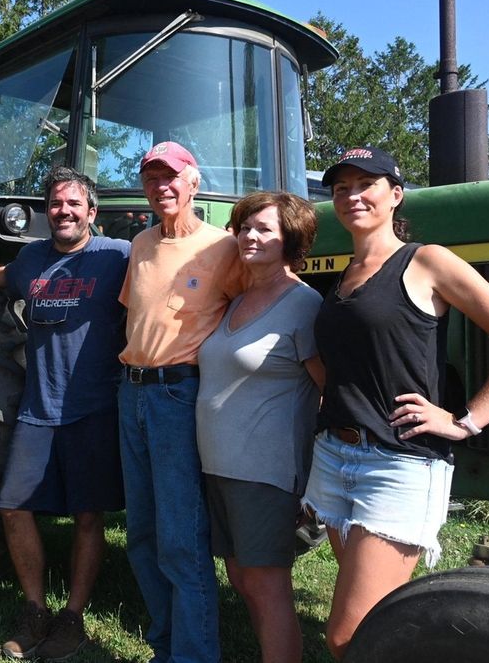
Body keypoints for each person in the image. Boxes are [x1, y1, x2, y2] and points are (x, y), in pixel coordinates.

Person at [302, 146, 489, 659]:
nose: (352, 196)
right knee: (379, 624)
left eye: (366, 185)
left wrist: (465, 421)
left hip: (397, 464)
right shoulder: (347, 273)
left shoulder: (426, 261)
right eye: (342, 188)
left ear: (395, 195)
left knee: (347, 635)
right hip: (335, 456)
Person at [0, 165, 129, 661]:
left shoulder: (117, 256)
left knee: (87, 516)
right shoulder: (33, 258)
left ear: (92, 212)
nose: (64, 211)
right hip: (39, 408)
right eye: (56, 204)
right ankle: (35, 610)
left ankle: (72, 616)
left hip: (93, 409)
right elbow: (2, 276)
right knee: (14, 506)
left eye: (74, 204)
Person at [118, 141, 245, 663]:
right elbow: (137, 315)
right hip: (131, 392)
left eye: (170, 176)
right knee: (141, 533)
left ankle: (193, 655)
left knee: (180, 535)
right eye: (151, 178)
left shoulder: (224, 247)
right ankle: (165, 645)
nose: (160, 187)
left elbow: (256, 308)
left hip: (178, 394)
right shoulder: (140, 244)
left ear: (194, 182)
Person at [195, 192, 324, 663]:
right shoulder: (237, 301)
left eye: (264, 229)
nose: (250, 236)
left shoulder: (303, 304)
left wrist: (318, 474)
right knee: (243, 580)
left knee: (267, 585)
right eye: (245, 227)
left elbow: (327, 388)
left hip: (266, 471)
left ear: (291, 239)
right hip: (219, 467)